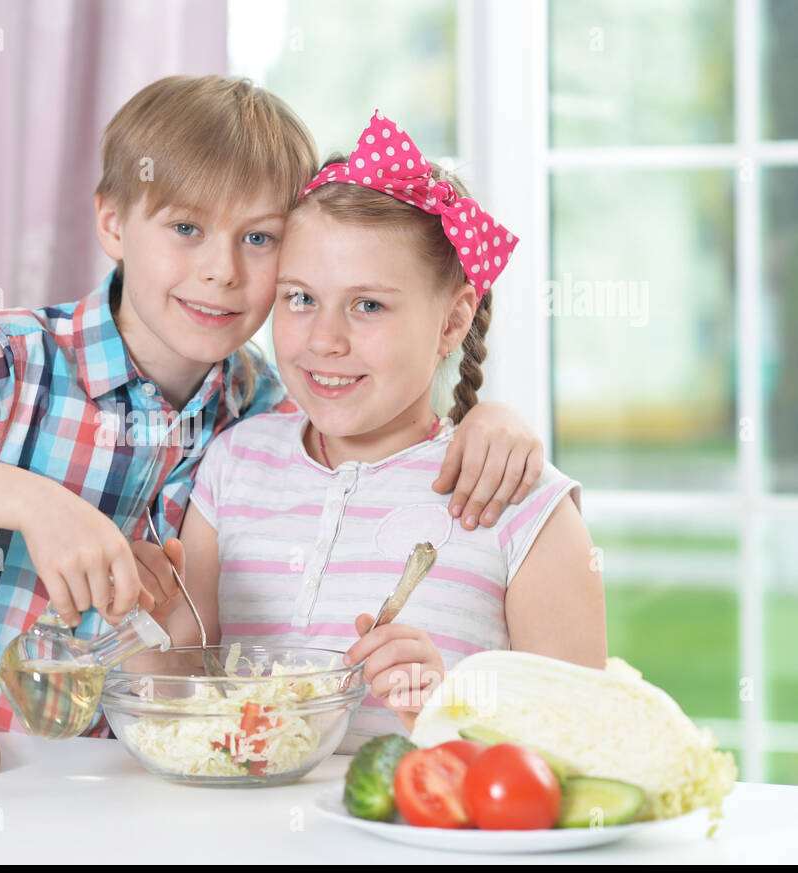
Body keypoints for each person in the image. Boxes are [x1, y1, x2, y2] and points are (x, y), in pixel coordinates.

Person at [0, 80, 546, 736]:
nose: (220, 271)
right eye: (186, 228)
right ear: (114, 223)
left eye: (258, 239)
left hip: (124, 786)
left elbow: (384, 421)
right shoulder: (19, 359)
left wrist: (488, 417)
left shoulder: (262, 408)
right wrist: (39, 506)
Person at [142, 110, 606, 751]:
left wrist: (448, 712)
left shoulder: (519, 502)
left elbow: (583, 745)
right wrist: (152, 625)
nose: (325, 340)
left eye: (368, 306)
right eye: (300, 298)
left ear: (451, 323)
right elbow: (183, 696)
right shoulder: (234, 467)